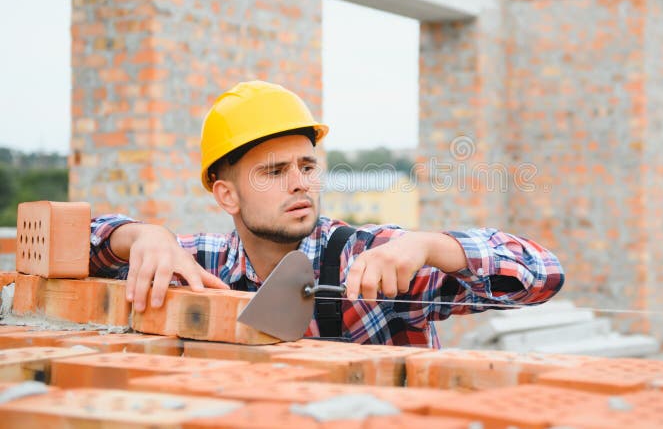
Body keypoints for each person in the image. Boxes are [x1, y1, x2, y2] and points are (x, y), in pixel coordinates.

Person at [90, 81, 564, 347]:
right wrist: (139, 237)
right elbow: (69, 250)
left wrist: (431, 246)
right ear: (226, 195)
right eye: (274, 171)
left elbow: (543, 277)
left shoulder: (368, 260)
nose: (300, 183)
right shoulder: (198, 265)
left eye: (308, 166)